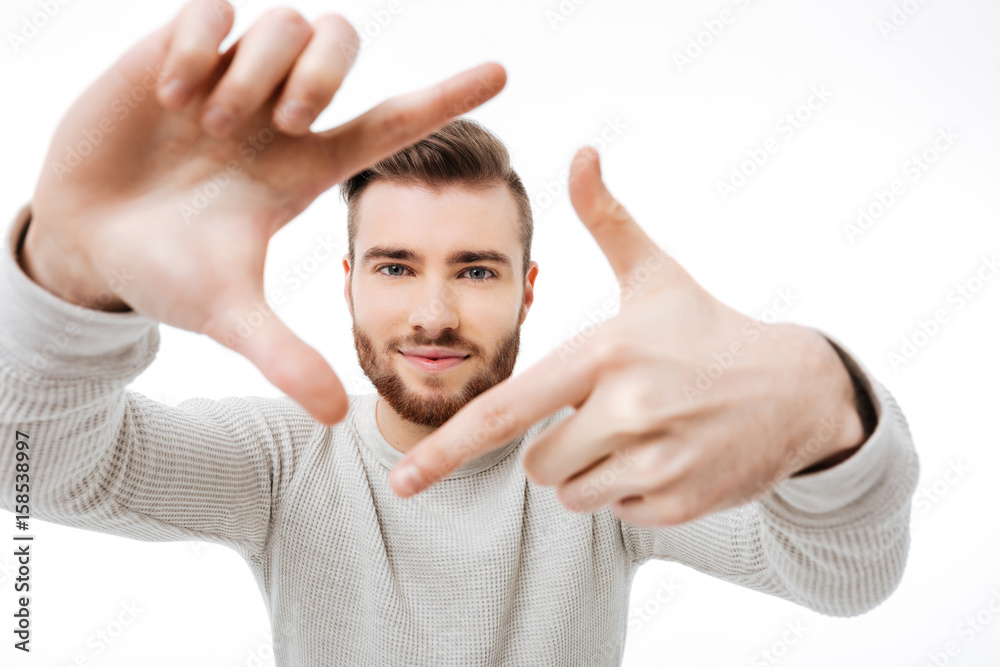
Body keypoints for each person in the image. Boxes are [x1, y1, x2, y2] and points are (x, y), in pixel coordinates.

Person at [0, 1, 919, 665]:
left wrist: (824, 404)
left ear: (526, 291)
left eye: (475, 270)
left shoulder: (595, 462)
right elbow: (35, 462)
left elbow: (843, 580)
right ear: (350, 284)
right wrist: (69, 287)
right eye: (397, 266)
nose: (433, 312)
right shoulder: (283, 461)